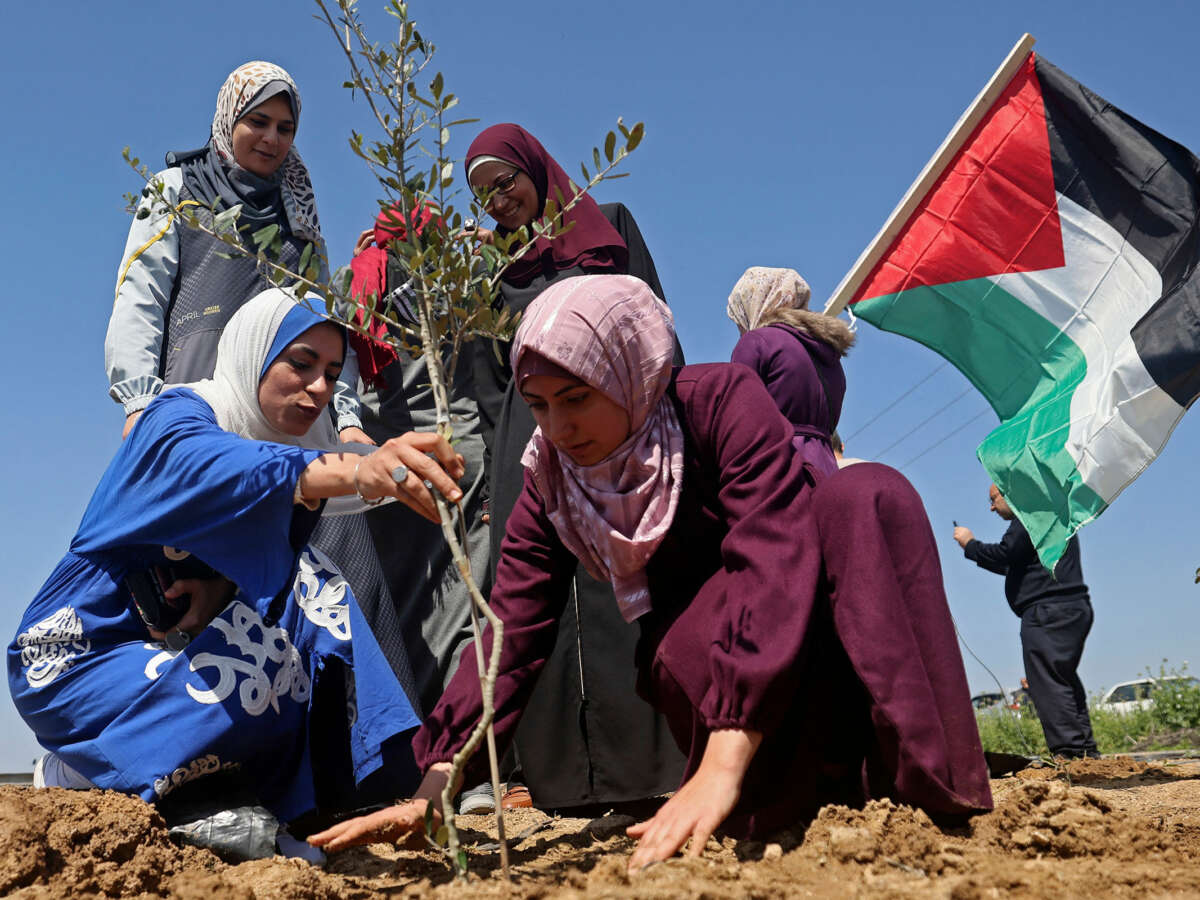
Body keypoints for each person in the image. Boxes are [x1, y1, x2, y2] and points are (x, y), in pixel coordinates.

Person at [308, 275, 992, 867]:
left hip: (816, 639)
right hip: (719, 681)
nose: (560, 428)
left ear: (631, 371)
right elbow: (510, 633)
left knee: (867, 493)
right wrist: (438, 788)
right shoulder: (551, 478)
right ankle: (777, 787)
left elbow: (773, 558)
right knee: (687, 634)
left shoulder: (718, 404)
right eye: (541, 406)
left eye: (577, 398)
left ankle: (925, 786)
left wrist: (722, 762)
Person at [10, 289, 465, 848]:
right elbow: (227, 468)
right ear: (253, 354)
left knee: (316, 593)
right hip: (78, 657)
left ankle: (373, 789)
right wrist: (358, 467)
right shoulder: (174, 420)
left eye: (330, 371)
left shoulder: (280, 456)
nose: (319, 388)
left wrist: (222, 586)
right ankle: (84, 774)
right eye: (300, 363)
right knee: (263, 655)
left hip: (180, 653)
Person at [462, 124, 685, 809]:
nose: (499, 200)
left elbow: (655, 333)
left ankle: (650, 767)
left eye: (507, 181)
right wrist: (495, 490)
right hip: (524, 448)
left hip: (616, 439)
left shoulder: (610, 230)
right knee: (541, 603)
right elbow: (482, 383)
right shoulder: (489, 274)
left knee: (627, 578)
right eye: (482, 194)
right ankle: (561, 778)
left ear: (537, 169)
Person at [106, 59, 370, 445]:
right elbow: (141, 297)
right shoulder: (178, 190)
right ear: (230, 118)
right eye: (258, 122)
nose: (271, 139)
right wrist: (140, 401)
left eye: (285, 128)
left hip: (286, 429)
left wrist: (347, 418)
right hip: (195, 412)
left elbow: (326, 323)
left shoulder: (299, 211)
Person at [954, 485, 1099, 759]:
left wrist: (969, 544)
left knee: (1046, 681)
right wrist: (974, 552)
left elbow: (1006, 554)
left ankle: (1069, 753)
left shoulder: (1031, 514)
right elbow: (1014, 563)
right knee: (1061, 677)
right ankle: (1085, 750)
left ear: (1010, 492)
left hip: (1048, 611)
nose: (991, 507)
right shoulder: (1050, 515)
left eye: (993, 499)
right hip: (1072, 607)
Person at [726, 266, 854, 476]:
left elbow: (735, 415)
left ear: (754, 304)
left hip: (776, 468)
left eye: (739, 319)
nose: (740, 329)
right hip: (826, 469)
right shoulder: (830, 354)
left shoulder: (758, 342)